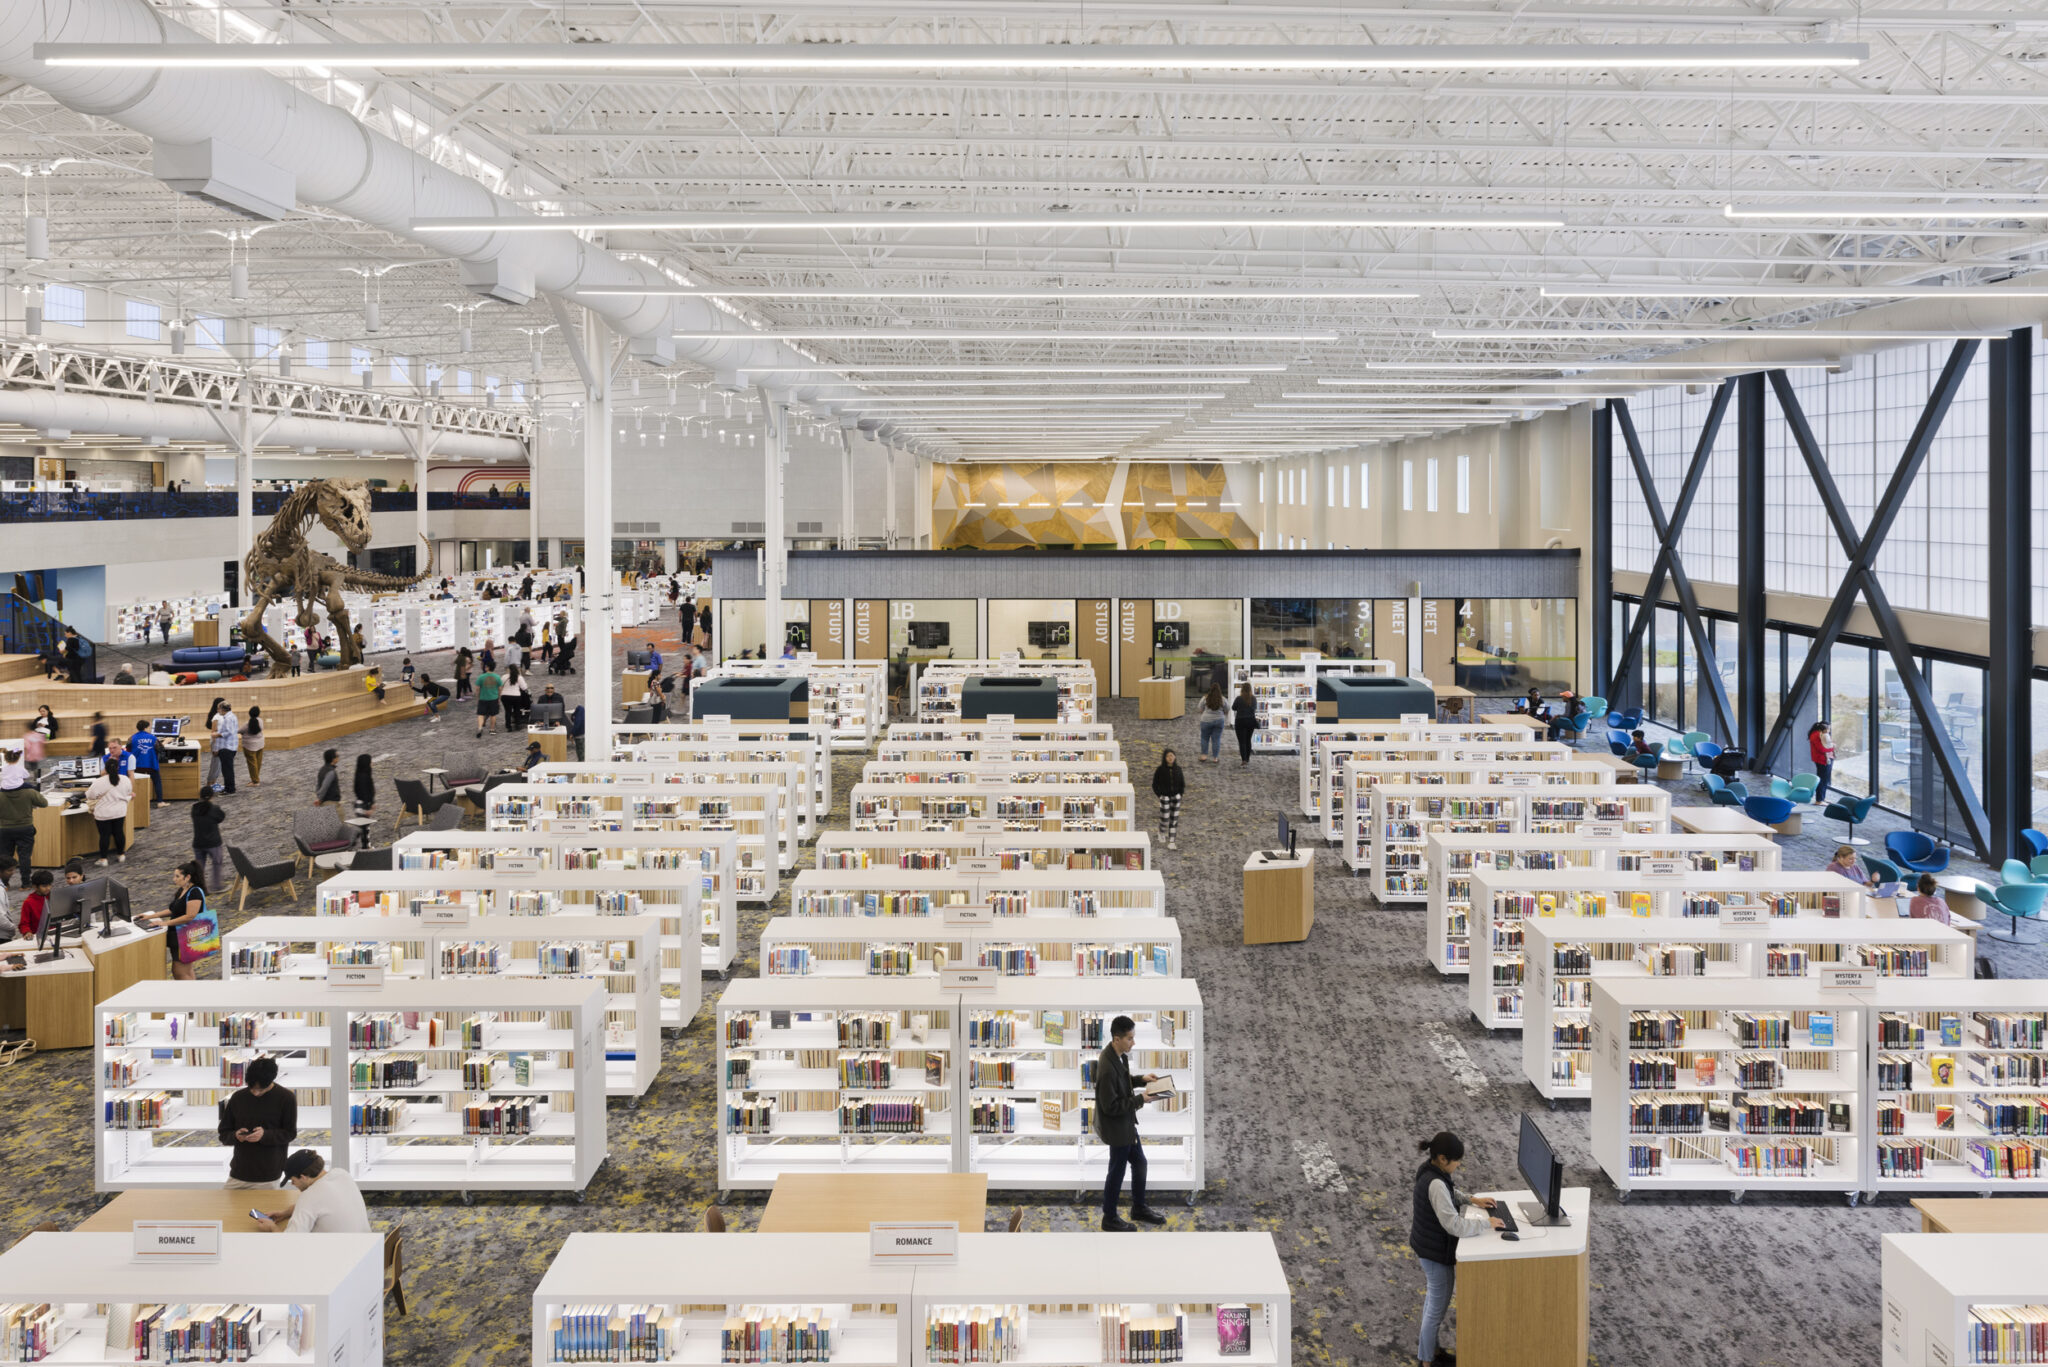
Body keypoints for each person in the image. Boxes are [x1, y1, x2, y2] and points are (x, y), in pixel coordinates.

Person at [1410, 1131, 1505, 1367]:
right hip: (1435, 1254)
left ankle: (1431, 1352)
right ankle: (1426, 1361)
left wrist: (1472, 1200)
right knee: (1435, 1310)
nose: (1459, 1165)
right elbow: (1453, 1225)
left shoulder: (1429, 1170)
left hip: (1428, 1247)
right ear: (1443, 1159)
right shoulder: (1435, 1183)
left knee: (1432, 1303)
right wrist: (1487, 1223)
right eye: (1457, 1161)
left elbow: (1449, 1194)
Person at [1093, 1014, 1166, 1231]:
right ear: (1117, 1039)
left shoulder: (1119, 1055)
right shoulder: (1106, 1068)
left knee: (1140, 1163)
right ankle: (1109, 1218)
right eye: (1130, 1038)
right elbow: (1111, 1106)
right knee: (1116, 1172)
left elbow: (1123, 1081)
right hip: (1117, 1129)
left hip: (1126, 1125)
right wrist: (1140, 1099)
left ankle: (1139, 1208)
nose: (1133, 1042)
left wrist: (1141, 1079)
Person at [217, 1055, 297, 1190]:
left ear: (271, 1081)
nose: (255, 1093)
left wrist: (265, 1135)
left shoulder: (286, 1098)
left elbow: (290, 1133)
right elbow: (223, 1134)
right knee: (227, 1203)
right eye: (251, 1088)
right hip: (239, 1172)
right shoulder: (238, 1097)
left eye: (260, 1089)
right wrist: (236, 1136)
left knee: (265, 1205)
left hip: (269, 1174)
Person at [257, 1150, 371, 1234]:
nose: (293, 1184)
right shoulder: (341, 1173)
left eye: (293, 1180)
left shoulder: (308, 1196)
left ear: (303, 1177)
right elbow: (321, 1204)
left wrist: (272, 1228)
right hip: (367, 1246)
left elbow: (290, 1241)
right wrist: (285, 1213)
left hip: (342, 1256)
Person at [140, 860, 214, 982]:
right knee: (186, 971)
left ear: (188, 877)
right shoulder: (182, 890)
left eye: (177, 876)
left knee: (180, 972)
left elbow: (189, 916)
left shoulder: (194, 892)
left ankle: (190, 994)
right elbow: (173, 910)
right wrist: (151, 916)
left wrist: (164, 923)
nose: (174, 879)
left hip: (186, 937)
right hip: (179, 936)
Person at [0, 760, 48, 882]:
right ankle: (25, 883)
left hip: (4, 829)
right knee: (25, 856)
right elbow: (44, 803)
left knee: (4, 857)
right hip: (25, 828)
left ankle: (4, 883)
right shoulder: (29, 792)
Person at [86, 760, 133, 867]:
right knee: (119, 833)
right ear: (118, 767)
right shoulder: (125, 779)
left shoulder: (98, 782)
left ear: (105, 769)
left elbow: (90, 796)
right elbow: (128, 791)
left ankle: (103, 859)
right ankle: (121, 855)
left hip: (103, 813)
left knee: (104, 835)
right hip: (120, 812)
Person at [189, 789, 229, 891]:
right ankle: (216, 886)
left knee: (199, 867)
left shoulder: (194, 808)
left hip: (198, 843)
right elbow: (221, 817)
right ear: (212, 796)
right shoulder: (214, 809)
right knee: (217, 864)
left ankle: (198, 887)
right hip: (213, 843)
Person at [1151, 749, 1186, 852]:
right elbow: (1154, 784)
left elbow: (1182, 783)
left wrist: (1180, 794)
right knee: (1165, 818)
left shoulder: (1178, 769)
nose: (1170, 758)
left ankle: (1172, 841)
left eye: (1172, 755)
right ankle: (1161, 832)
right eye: (1168, 756)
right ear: (1164, 758)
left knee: (1174, 819)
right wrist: (1160, 795)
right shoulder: (1160, 770)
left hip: (1176, 797)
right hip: (1165, 797)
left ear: (1175, 757)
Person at [206, 698, 239, 794]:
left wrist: (217, 735)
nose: (217, 710)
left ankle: (229, 789)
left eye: (218, 708)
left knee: (227, 770)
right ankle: (229, 788)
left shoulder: (228, 718)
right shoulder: (231, 716)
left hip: (227, 747)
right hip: (229, 746)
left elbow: (228, 732)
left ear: (222, 709)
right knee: (226, 769)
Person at [128, 720, 163, 806]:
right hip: (151, 764)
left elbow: (128, 750)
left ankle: (136, 802)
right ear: (145, 728)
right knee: (157, 782)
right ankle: (160, 802)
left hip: (137, 765)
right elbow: (160, 748)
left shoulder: (131, 738)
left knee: (136, 783)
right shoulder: (153, 738)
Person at [1195, 686, 1227, 763]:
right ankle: (1215, 758)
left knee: (1204, 738)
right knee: (1216, 739)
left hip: (1206, 720)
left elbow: (1200, 708)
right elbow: (1227, 709)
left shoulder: (1205, 698)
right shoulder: (1223, 699)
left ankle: (1204, 756)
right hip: (1219, 721)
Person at [1230, 683, 1260, 766]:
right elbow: (1254, 708)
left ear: (1242, 689)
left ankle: (1244, 760)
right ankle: (1247, 758)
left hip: (1240, 721)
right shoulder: (1253, 698)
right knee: (1248, 740)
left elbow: (1233, 708)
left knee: (1242, 741)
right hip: (1251, 721)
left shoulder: (1239, 698)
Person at [17, 869, 52, 941]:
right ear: (35, 887)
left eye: (50, 885)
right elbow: (23, 924)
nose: (48, 888)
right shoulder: (28, 902)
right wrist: (27, 932)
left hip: (54, 933)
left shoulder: (53, 896)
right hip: (38, 937)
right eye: (44, 886)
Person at [475, 660, 504, 737]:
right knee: (493, 715)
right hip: (493, 698)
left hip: (483, 698)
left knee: (481, 714)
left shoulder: (481, 677)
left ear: (487, 667)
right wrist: (499, 698)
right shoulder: (497, 677)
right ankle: (492, 729)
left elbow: (477, 689)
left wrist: (478, 697)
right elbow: (500, 689)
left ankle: (480, 727)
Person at [1809, 721, 1836, 804]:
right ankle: (1819, 800)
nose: (1829, 730)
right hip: (1822, 760)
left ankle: (1822, 798)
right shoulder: (1816, 735)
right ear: (1824, 728)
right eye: (1828, 728)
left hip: (1826, 759)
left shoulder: (1820, 734)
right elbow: (1821, 749)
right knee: (1822, 779)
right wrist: (1833, 747)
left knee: (1824, 779)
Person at [242, 706, 266, 786]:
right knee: (258, 761)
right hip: (260, 744)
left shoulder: (247, 724)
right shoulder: (260, 721)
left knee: (252, 763)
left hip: (249, 746)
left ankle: (255, 781)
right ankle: (256, 777)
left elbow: (239, 731)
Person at [501, 665, 528, 732]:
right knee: (517, 711)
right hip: (516, 696)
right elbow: (524, 687)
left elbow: (500, 685)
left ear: (509, 670)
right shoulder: (519, 677)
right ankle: (517, 725)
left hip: (505, 696)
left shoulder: (504, 677)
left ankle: (508, 726)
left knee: (508, 711)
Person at [351, 755, 376, 826]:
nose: (372, 763)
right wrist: (369, 806)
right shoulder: (364, 777)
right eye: (370, 762)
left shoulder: (359, 774)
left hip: (361, 805)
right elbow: (365, 793)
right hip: (364, 806)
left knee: (364, 826)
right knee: (364, 827)